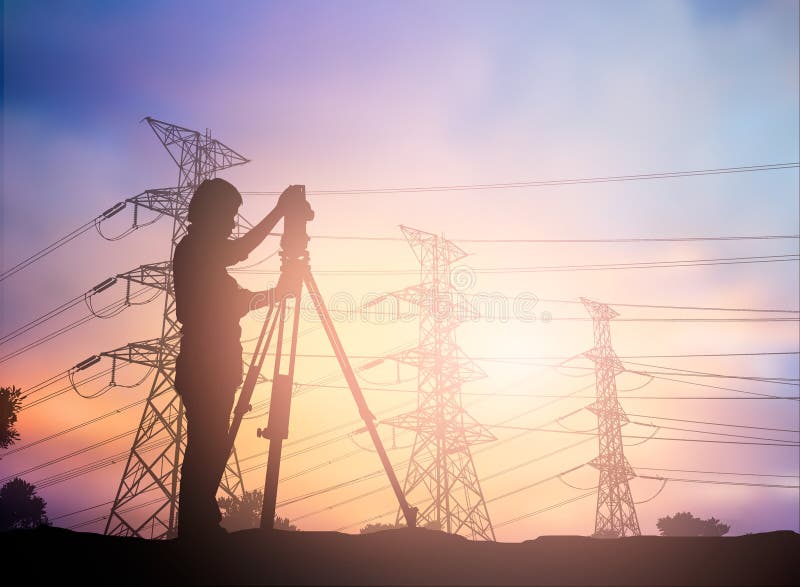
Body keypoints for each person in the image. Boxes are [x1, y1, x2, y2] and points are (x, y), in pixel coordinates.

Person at [173, 178, 295, 539]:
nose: (231, 223)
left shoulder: (207, 262)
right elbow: (239, 251)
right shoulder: (196, 248)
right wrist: (280, 211)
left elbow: (237, 302)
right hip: (204, 367)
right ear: (212, 212)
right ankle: (198, 526)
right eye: (229, 215)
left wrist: (276, 294)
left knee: (209, 444)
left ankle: (201, 522)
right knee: (206, 445)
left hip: (213, 367)